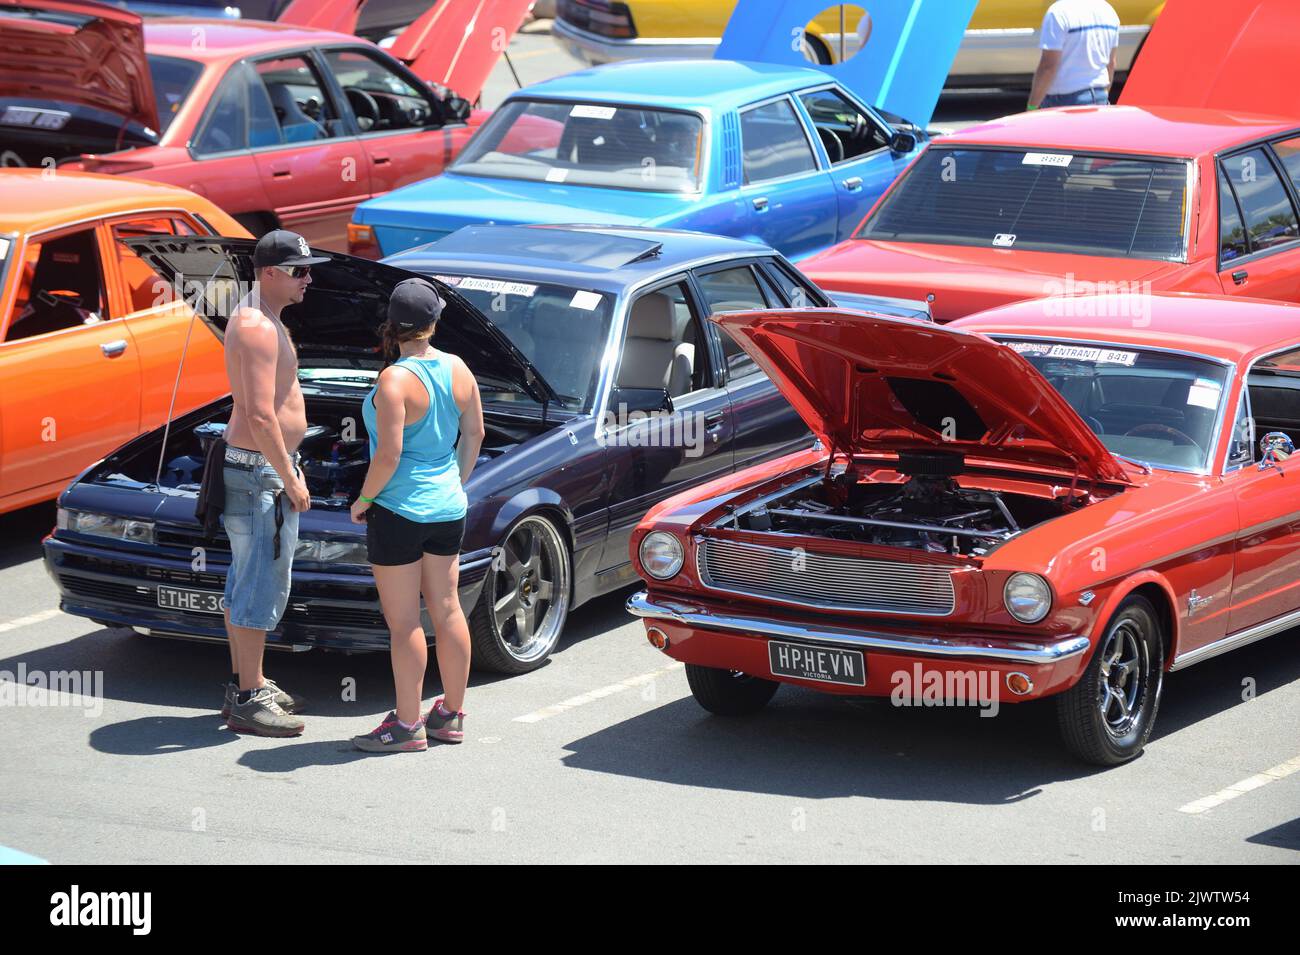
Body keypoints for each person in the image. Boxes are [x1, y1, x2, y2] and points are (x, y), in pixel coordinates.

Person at [350, 278, 485, 753]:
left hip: (398, 510)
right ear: (434, 323)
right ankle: (450, 715)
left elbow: (388, 455)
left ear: (393, 325)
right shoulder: (458, 368)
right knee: (447, 608)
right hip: (448, 508)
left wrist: (363, 501)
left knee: (405, 622)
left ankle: (407, 725)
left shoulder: (393, 380)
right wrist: (456, 482)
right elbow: (476, 433)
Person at [220, 230, 327, 736]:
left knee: (246, 580)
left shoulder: (259, 315)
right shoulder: (259, 327)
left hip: (253, 466)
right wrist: (290, 477)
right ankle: (247, 699)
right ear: (269, 273)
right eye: (299, 271)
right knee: (260, 586)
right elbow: (261, 415)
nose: (309, 279)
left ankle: (251, 681)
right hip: (259, 470)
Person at [1027, 0, 1120, 110]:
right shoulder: (1108, 11)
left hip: (1064, 101)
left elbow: (1048, 67)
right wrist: (1102, 95)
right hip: (1100, 96)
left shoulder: (1058, 13)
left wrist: (1032, 107)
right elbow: (1111, 64)